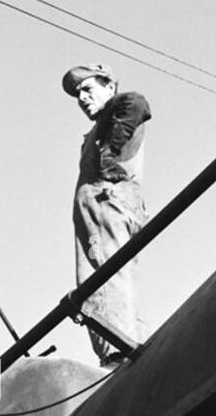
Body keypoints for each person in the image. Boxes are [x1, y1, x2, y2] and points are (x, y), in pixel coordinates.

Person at [62, 62, 151, 366]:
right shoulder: (95, 131)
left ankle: (117, 352)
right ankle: (125, 345)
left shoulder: (118, 110)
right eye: (77, 95)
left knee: (104, 276)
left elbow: (136, 102)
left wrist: (108, 153)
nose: (81, 98)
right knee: (106, 279)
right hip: (98, 209)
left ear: (109, 86)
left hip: (107, 202)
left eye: (88, 89)